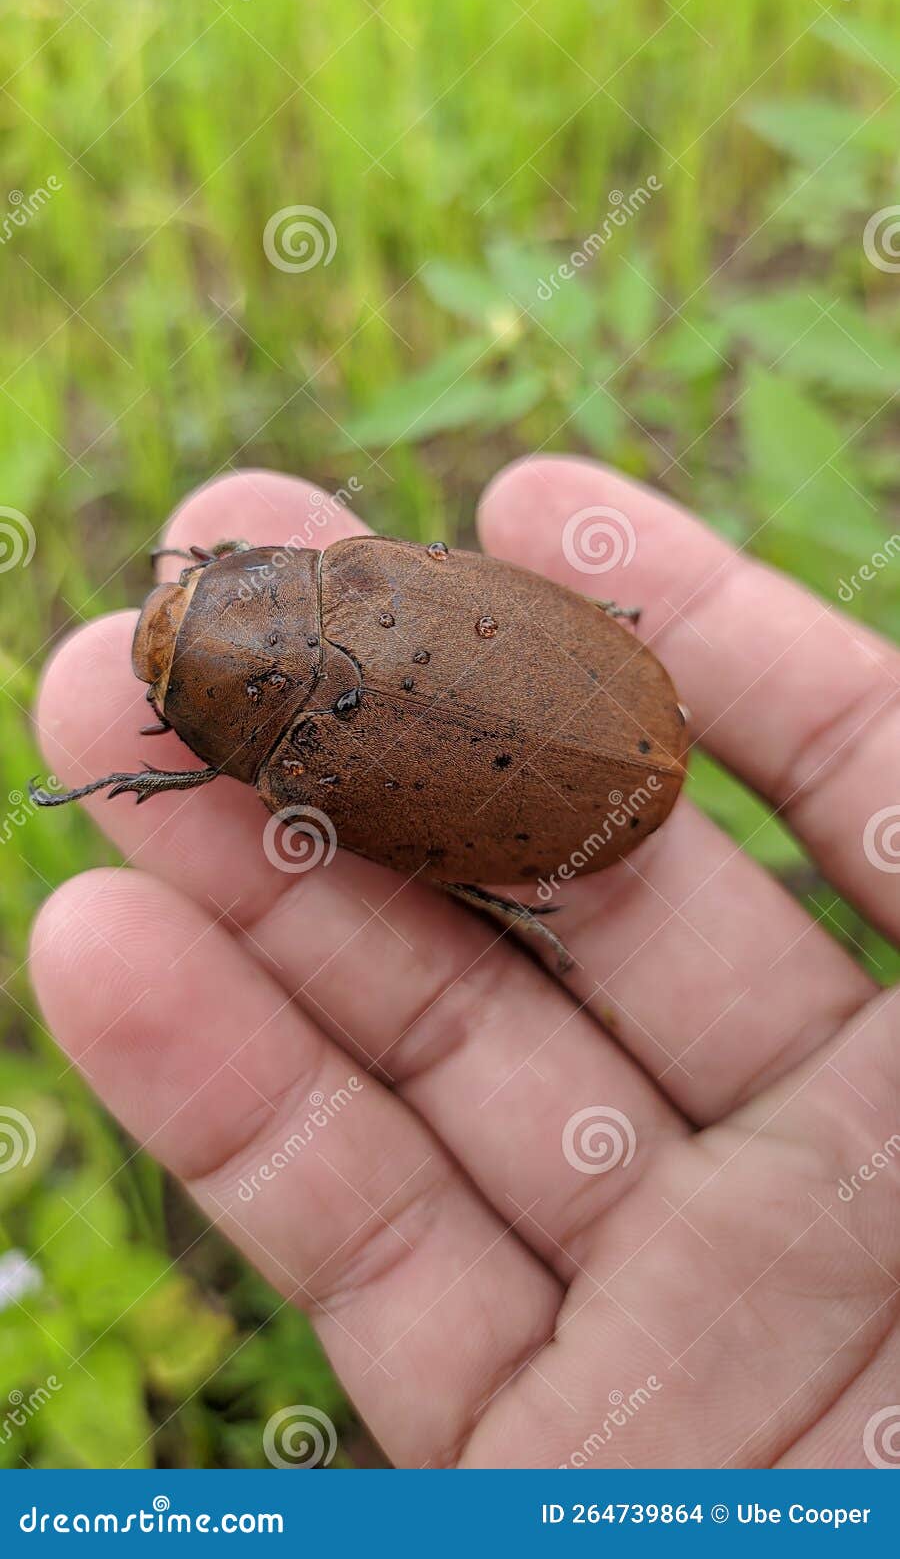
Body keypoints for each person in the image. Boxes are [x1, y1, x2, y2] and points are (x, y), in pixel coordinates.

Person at [29, 456, 900, 1469]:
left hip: (594, 728)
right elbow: (470, 591)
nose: (170, 610)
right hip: (591, 716)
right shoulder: (359, 580)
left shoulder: (299, 760)